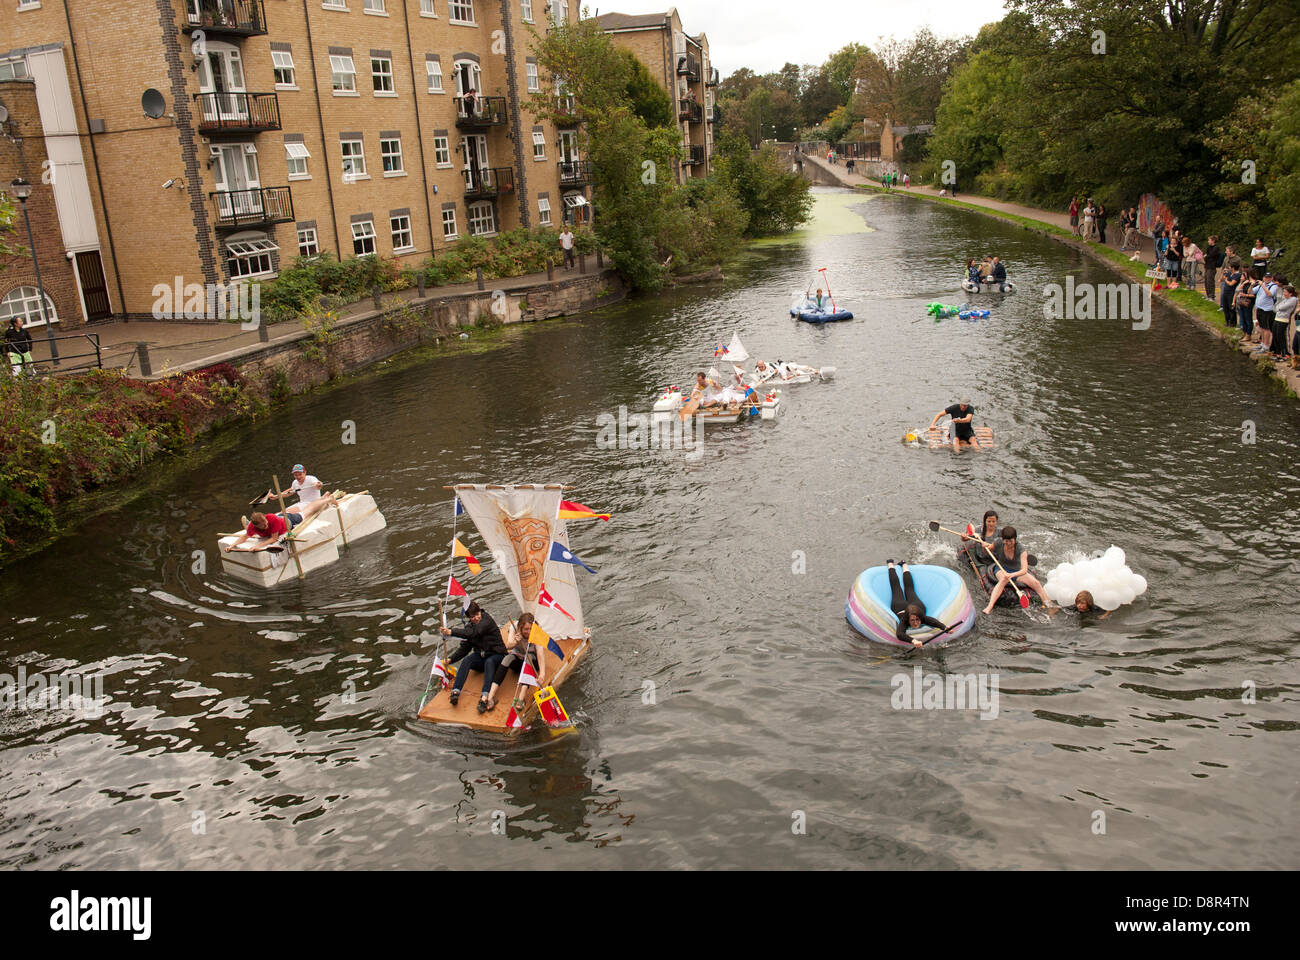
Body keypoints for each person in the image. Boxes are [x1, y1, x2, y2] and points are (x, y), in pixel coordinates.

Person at [440, 601, 508, 712]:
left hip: (497, 656)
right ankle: (456, 691)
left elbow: (474, 633)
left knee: (489, 662)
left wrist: (451, 632)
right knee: (467, 659)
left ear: (480, 611)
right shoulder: (469, 628)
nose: (476, 618)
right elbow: (465, 648)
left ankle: (485, 696)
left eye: (477, 615)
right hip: (482, 656)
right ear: (469, 618)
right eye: (472, 617)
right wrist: (450, 659)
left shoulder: (487, 620)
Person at [981, 526, 1053, 613]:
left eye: (1011, 541)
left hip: (1016, 571)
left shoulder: (1021, 550)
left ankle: (1050, 605)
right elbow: (987, 551)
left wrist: (1012, 575)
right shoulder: (999, 542)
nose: (1008, 543)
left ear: (1015, 539)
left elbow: (1024, 570)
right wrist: (984, 547)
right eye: (1006, 541)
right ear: (1003, 539)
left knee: (1036, 583)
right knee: (1004, 579)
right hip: (1001, 568)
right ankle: (990, 606)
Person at [486, 612, 545, 712]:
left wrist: (542, 674)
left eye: (530, 629)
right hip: (517, 658)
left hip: (531, 660)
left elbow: (540, 654)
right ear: (521, 627)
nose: (529, 632)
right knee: (506, 659)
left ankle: (521, 699)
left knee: (528, 658)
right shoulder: (514, 627)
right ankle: (490, 697)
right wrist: (516, 642)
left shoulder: (537, 632)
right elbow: (508, 646)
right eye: (526, 629)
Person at [885, 560, 953, 647]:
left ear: (920, 618)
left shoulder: (922, 618)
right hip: (900, 607)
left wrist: (945, 628)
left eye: (917, 620)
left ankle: (904, 564)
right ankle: (890, 564)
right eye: (912, 620)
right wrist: (913, 641)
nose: (916, 623)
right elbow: (899, 634)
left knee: (909, 589)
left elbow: (934, 622)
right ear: (908, 620)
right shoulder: (904, 621)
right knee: (896, 588)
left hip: (916, 606)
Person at [225, 510, 296, 553]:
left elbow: (274, 538)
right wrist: (231, 546)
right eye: (264, 525)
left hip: (289, 521)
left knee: (304, 513)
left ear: (265, 518)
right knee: (282, 513)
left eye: (266, 523)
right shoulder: (252, 526)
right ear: (256, 526)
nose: (267, 526)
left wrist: (257, 546)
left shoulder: (273, 519)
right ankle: (250, 529)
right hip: (277, 519)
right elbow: (244, 537)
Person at [1255, 271, 1278, 353]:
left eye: (1269, 277)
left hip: (1267, 310)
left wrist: (1262, 285)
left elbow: (1270, 294)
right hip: (1259, 308)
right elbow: (1251, 292)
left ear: (1271, 278)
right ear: (1263, 278)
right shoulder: (1261, 285)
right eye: (1266, 277)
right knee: (1261, 327)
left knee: (1266, 328)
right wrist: (1251, 285)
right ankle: (1262, 343)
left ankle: (1266, 346)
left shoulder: (1273, 286)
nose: (1267, 279)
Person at [1273, 282, 1296, 362]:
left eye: (1285, 292)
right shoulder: (1285, 299)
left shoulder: (1293, 300)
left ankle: (1284, 355)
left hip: (1283, 320)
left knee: (1281, 337)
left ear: (1290, 293)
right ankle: (1278, 354)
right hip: (1277, 318)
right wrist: (1278, 307)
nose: (1284, 294)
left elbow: (1281, 307)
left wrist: (1279, 307)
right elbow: (1276, 307)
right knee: (1275, 336)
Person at [1220, 259, 1242, 328]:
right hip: (1225, 292)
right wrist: (1223, 274)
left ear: (1233, 267)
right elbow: (1221, 279)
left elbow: (1231, 284)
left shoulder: (1237, 275)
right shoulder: (1229, 273)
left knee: (1231, 309)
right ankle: (1227, 321)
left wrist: (1226, 280)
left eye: (1230, 266)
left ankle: (1233, 323)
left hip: (1231, 293)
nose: (1229, 268)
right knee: (1225, 307)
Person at [1236, 271, 1258, 340]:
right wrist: (1243, 284)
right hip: (1242, 302)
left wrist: (1245, 294)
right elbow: (1238, 290)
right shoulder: (1246, 282)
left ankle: (1248, 334)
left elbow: (1252, 293)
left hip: (1249, 302)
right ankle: (1244, 333)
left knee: (1248, 318)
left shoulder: (1255, 283)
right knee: (1243, 317)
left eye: (1245, 274)